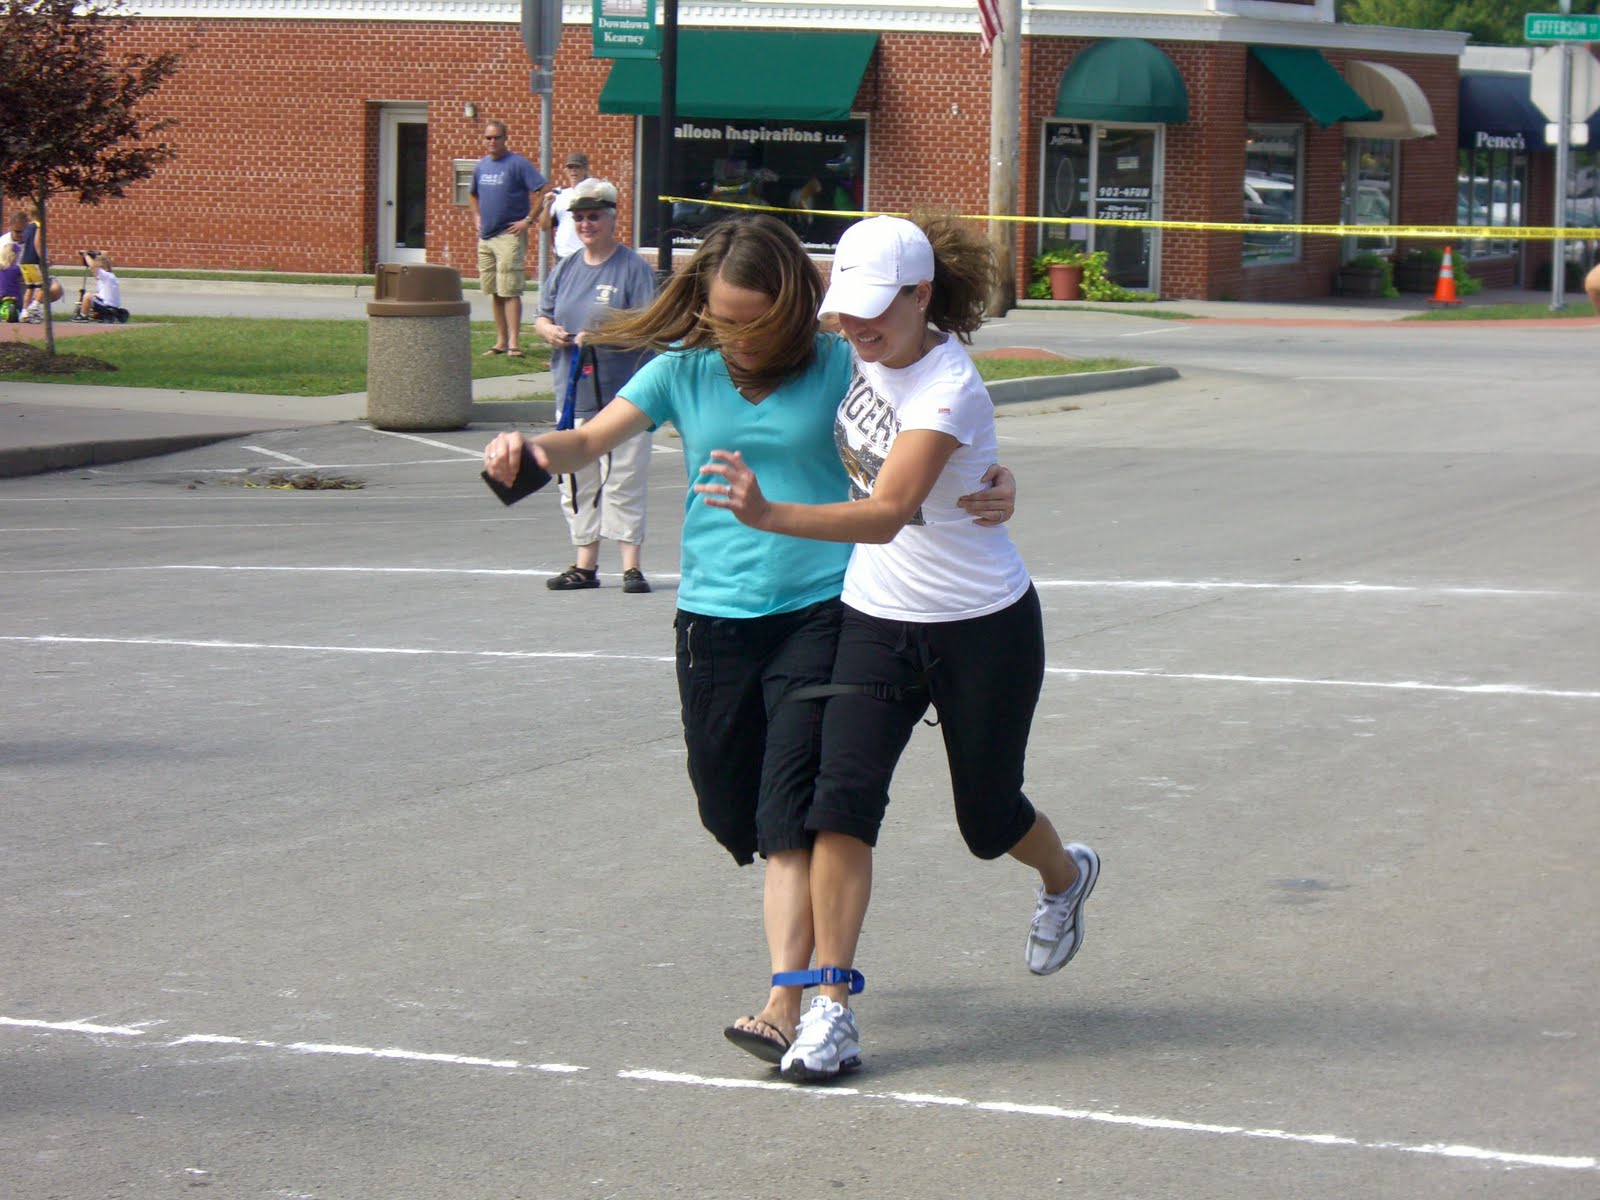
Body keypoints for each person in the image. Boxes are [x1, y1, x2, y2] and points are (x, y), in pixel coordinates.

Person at [482, 215, 1015, 1070]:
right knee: (731, 809)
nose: (736, 336)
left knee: (793, 812)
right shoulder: (684, 371)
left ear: (793, 308)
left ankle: (786, 999)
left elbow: (933, 413)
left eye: (754, 321)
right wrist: (526, 454)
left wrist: (995, 478)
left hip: (824, 609)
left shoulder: (843, 359)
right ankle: (794, 981)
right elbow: (586, 439)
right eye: (723, 318)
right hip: (714, 620)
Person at [695, 215, 1099, 1082]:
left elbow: (884, 514)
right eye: (847, 310)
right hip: (874, 617)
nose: (857, 328)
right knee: (838, 802)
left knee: (988, 820)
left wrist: (766, 513)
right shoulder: (856, 346)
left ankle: (1064, 876)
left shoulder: (948, 388)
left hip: (980, 625)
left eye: (877, 312)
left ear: (923, 297)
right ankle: (828, 1011)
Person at [532, 178, 659, 593]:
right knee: (575, 480)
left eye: (594, 217)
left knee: (624, 477)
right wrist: (548, 330)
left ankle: (630, 566)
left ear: (611, 219)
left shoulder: (633, 269)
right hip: (574, 394)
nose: (587, 225)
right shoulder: (565, 268)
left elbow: (648, 328)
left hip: (624, 396)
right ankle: (584, 564)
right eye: (580, 218)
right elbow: (542, 314)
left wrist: (603, 336)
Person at [469, 119, 546, 358]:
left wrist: (528, 220)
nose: (492, 142)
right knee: (494, 290)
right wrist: (476, 215)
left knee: (510, 289)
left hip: (509, 235)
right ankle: (500, 341)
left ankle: (514, 343)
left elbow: (543, 190)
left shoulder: (517, 164)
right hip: (487, 237)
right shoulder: (481, 166)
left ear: (505, 138)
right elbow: (472, 194)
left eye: (496, 137)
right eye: (488, 138)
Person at [538, 152, 590, 261]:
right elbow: (544, 226)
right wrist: (548, 205)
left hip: (584, 254)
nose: (573, 171)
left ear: (585, 170)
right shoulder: (560, 194)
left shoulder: (592, 193)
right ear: (565, 171)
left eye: (577, 167)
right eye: (570, 167)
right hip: (561, 255)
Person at [71, 251, 123, 323]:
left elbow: (94, 266)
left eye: (95, 272)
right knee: (95, 296)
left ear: (104, 268)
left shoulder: (105, 275)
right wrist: (98, 253)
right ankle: (101, 316)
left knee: (87, 296)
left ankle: (83, 316)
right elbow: (105, 256)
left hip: (106, 306)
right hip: (112, 306)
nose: (94, 274)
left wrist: (86, 255)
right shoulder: (110, 277)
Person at [0, 242, 23, 323]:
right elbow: (22, 279)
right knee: (20, 306)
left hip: (1, 294)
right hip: (14, 295)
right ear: (13, 256)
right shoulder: (16, 268)